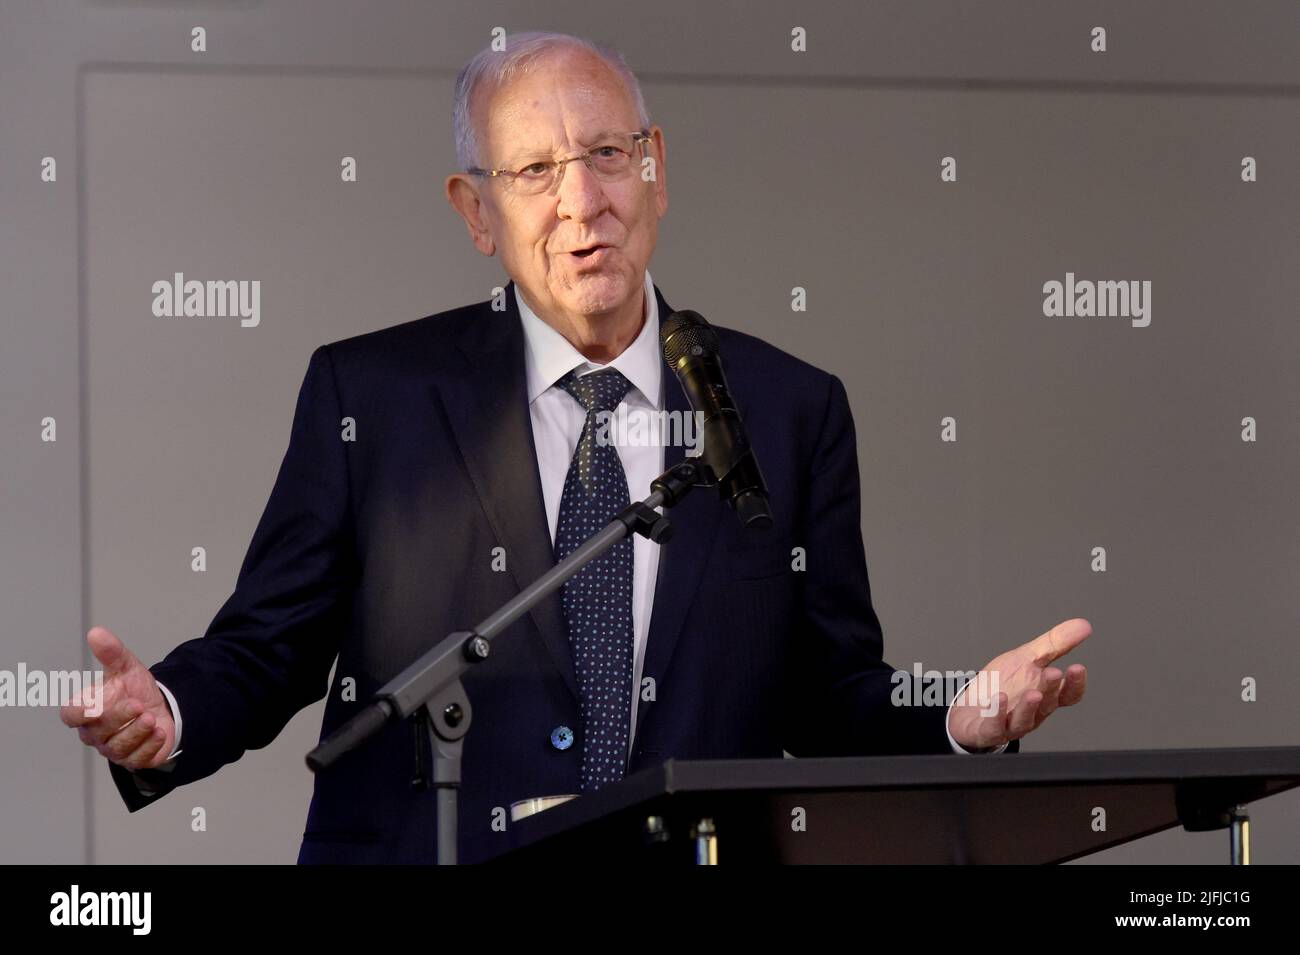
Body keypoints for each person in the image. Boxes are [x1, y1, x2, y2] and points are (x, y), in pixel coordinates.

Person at [61, 31, 1089, 864]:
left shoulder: (787, 409)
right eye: (534, 171)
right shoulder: (373, 396)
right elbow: (267, 646)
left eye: (607, 155)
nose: (581, 202)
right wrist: (171, 712)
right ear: (477, 212)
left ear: (655, 169)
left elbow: (829, 698)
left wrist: (955, 716)